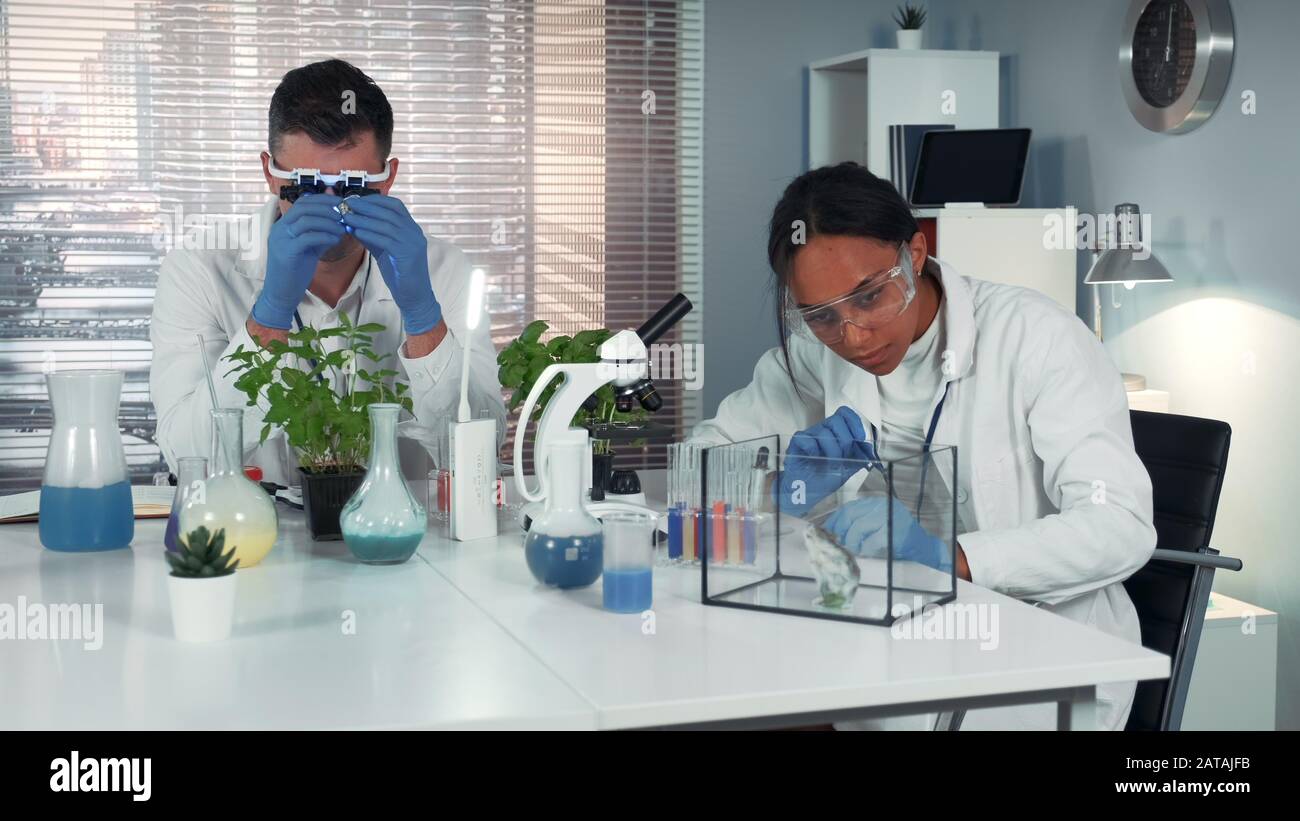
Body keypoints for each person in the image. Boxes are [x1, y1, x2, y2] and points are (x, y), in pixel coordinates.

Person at [690, 163, 1156, 730]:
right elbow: (702, 466)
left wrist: (951, 559)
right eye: (822, 316)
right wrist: (779, 486)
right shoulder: (816, 354)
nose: (853, 337)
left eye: (868, 297)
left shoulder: (1036, 339)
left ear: (914, 254)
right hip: (886, 641)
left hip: (1038, 655)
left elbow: (1121, 524)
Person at [149, 59, 504, 485]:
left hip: (408, 538)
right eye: (307, 187)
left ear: (388, 179)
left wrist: (423, 314)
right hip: (263, 536)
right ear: (270, 174)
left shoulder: (445, 270)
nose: (333, 206)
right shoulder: (199, 270)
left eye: (355, 187)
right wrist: (269, 315)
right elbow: (186, 454)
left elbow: (479, 454)